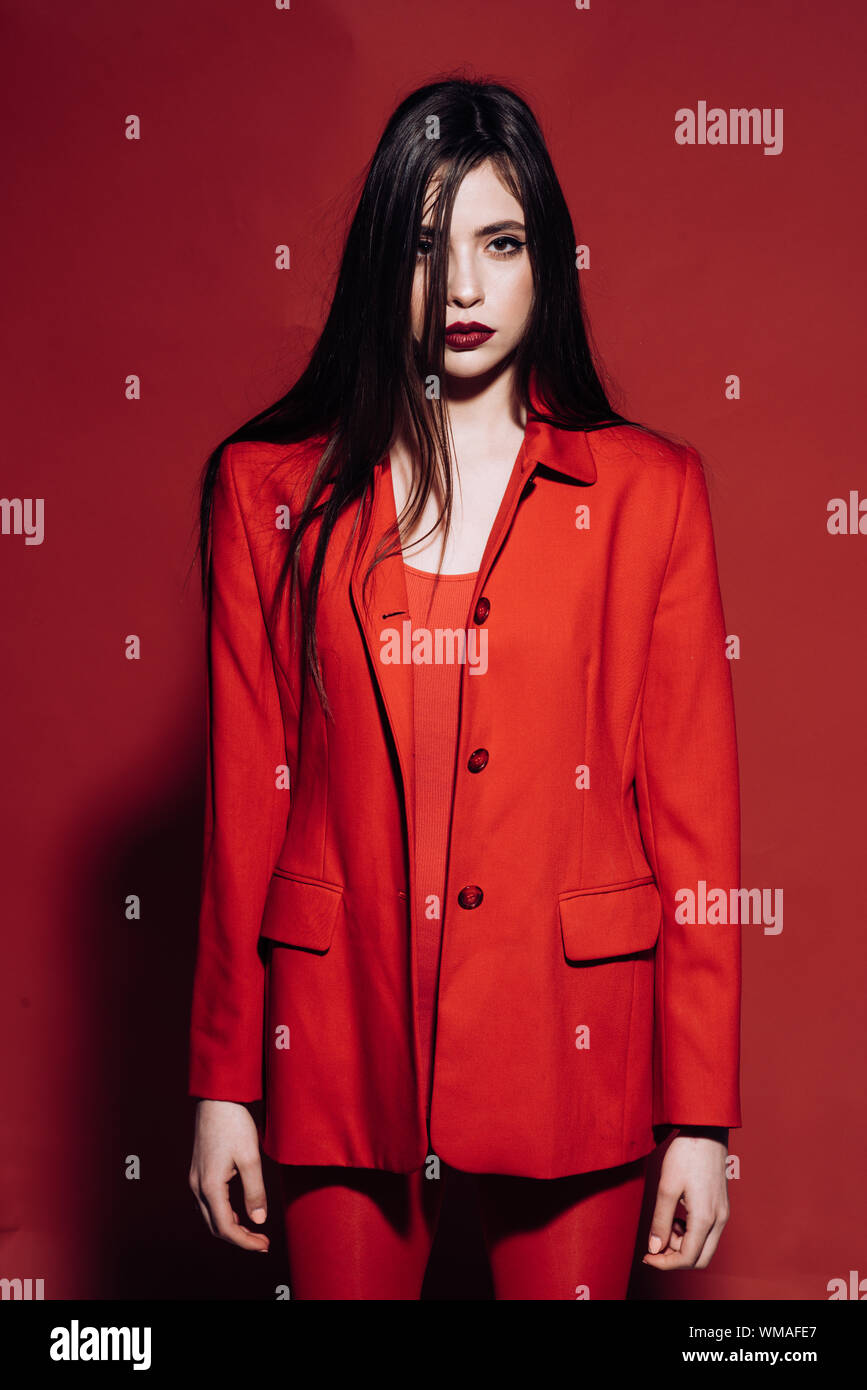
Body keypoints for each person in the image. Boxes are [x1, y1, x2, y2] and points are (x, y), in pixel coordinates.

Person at [188, 75, 741, 1300]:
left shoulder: (653, 495)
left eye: (502, 242)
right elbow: (243, 810)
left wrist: (698, 1117)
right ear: (384, 261)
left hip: (574, 1047)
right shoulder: (266, 498)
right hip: (337, 1042)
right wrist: (225, 1084)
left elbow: (696, 827)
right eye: (428, 246)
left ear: (549, 261)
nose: (467, 289)